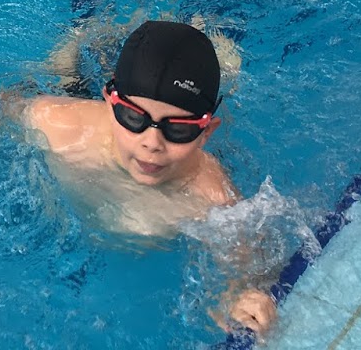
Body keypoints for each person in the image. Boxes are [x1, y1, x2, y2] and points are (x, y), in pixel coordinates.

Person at [20, 21, 278, 339]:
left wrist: (239, 296)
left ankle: (213, 38)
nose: (152, 143)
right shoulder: (55, 125)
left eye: (178, 129)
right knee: (67, 70)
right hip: (82, 117)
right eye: (133, 117)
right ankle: (84, 37)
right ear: (110, 102)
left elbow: (249, 270)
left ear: (206, 132)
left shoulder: (213, 198)